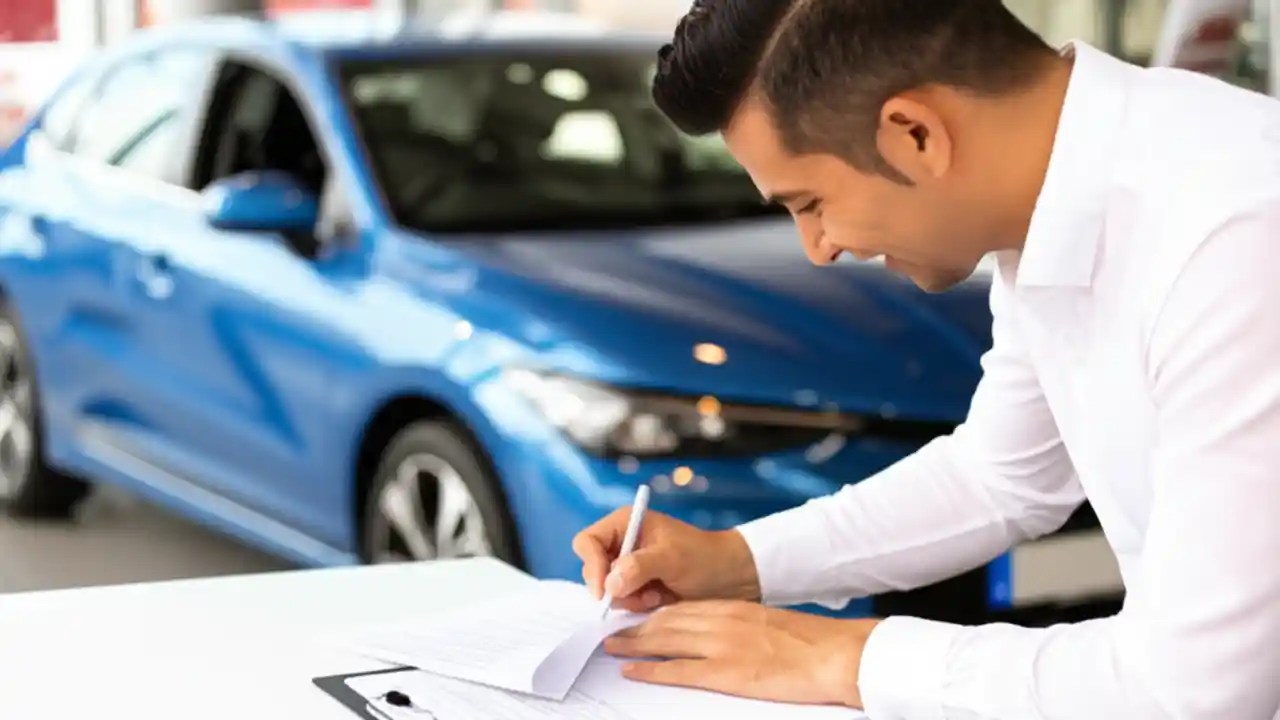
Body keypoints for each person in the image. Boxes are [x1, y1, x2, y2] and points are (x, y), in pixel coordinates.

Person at [571, 1, 1280, 718]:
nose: (818, 248)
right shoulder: (1052, 199)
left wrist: (835, 655)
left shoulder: (1235, 234)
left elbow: (1199, 689)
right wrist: (733, 561)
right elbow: (1000, 476)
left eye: (809, 202)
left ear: (913, 134)